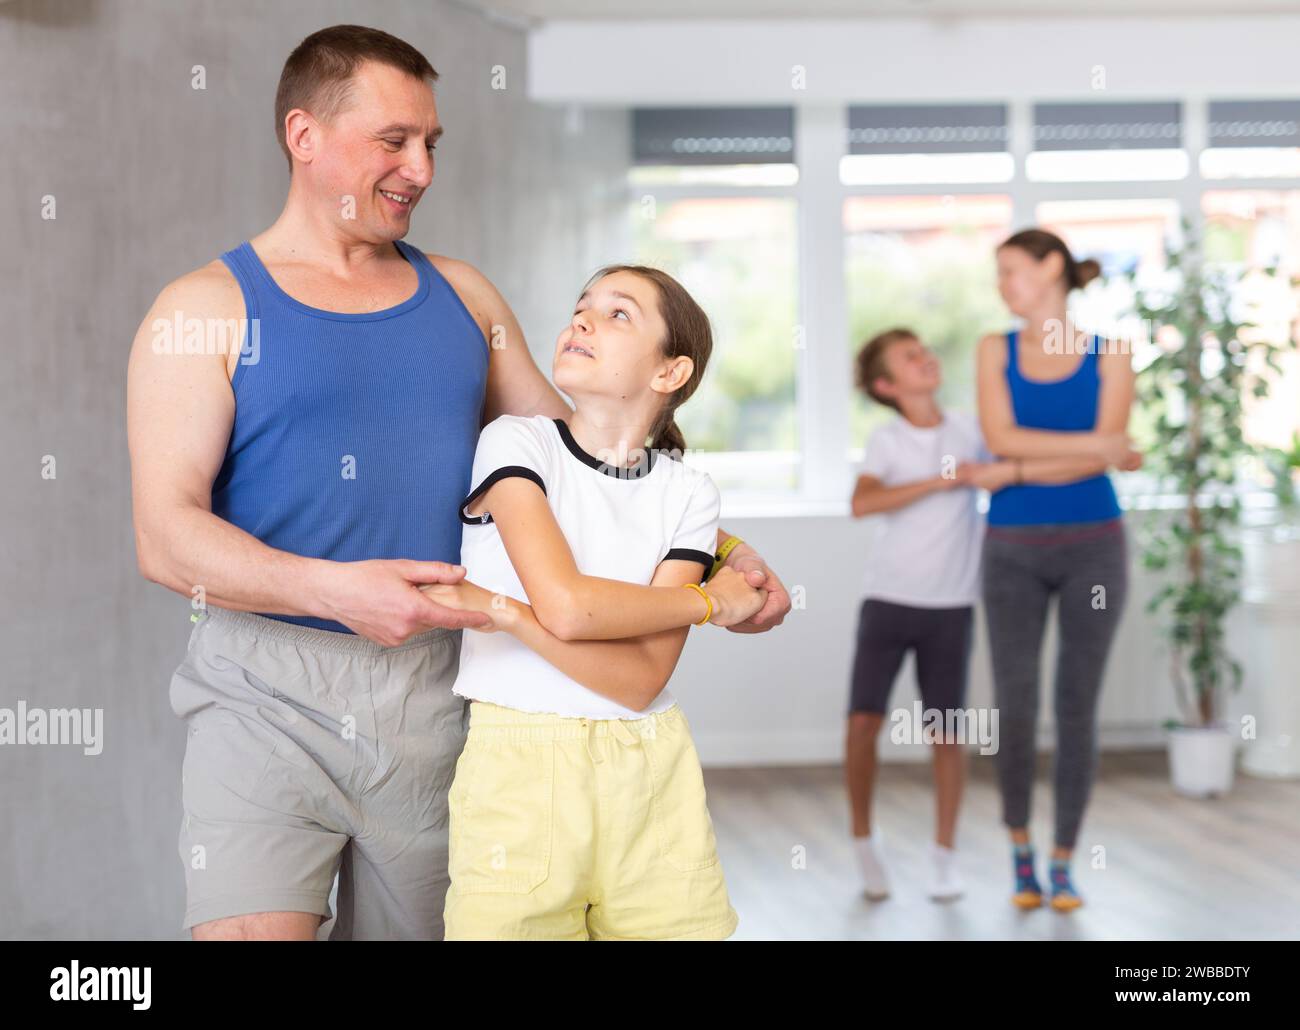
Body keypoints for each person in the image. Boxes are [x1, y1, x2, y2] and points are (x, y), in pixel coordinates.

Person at [126, 24, 790, 941]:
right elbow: (165, 536)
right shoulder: (201, 309)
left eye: (431, 143)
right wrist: (334, 590)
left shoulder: (466, 300)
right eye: (394, 141)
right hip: (260, 691)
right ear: (303, 134)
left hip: (450, 694)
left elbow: (587, 458)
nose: (421, 169)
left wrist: (728, 553)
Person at [422, 264, 760, 940]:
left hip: (653, 775)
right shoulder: (515, 443)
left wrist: (505, 610)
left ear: (670, 373)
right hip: (517, 766)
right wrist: (707, 603)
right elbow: (570, 607)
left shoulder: (690, 494)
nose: (582, 320)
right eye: (582, 307)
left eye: (618, 314)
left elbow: (639, 682)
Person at [847, 327, 1122, 903]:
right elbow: (863, 502)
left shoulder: (972, 429)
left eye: (925, 350)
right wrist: (941, 479)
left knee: (947, 734)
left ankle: (943, 859)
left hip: (952, 606)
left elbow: (1017, 462)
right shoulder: (888, 441)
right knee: (863, 724)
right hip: (889, 600)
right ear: (886, 385)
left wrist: (1105, 450)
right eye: (909, 358)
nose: (926, 359)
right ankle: (864, 845)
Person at [975, 228, 1140, 912]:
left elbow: (1101, 455)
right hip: (1010, 546)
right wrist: (1094, 448)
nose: (1002, 285)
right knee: (1016, 706)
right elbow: (999, 438)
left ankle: (1066, 858)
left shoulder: (1114, 354)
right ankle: (1020, 852)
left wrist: (1016, 468)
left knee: (1077, 707)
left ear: (1050, 268)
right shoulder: (994, 350)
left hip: (1093, 547)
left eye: (1011, 270)